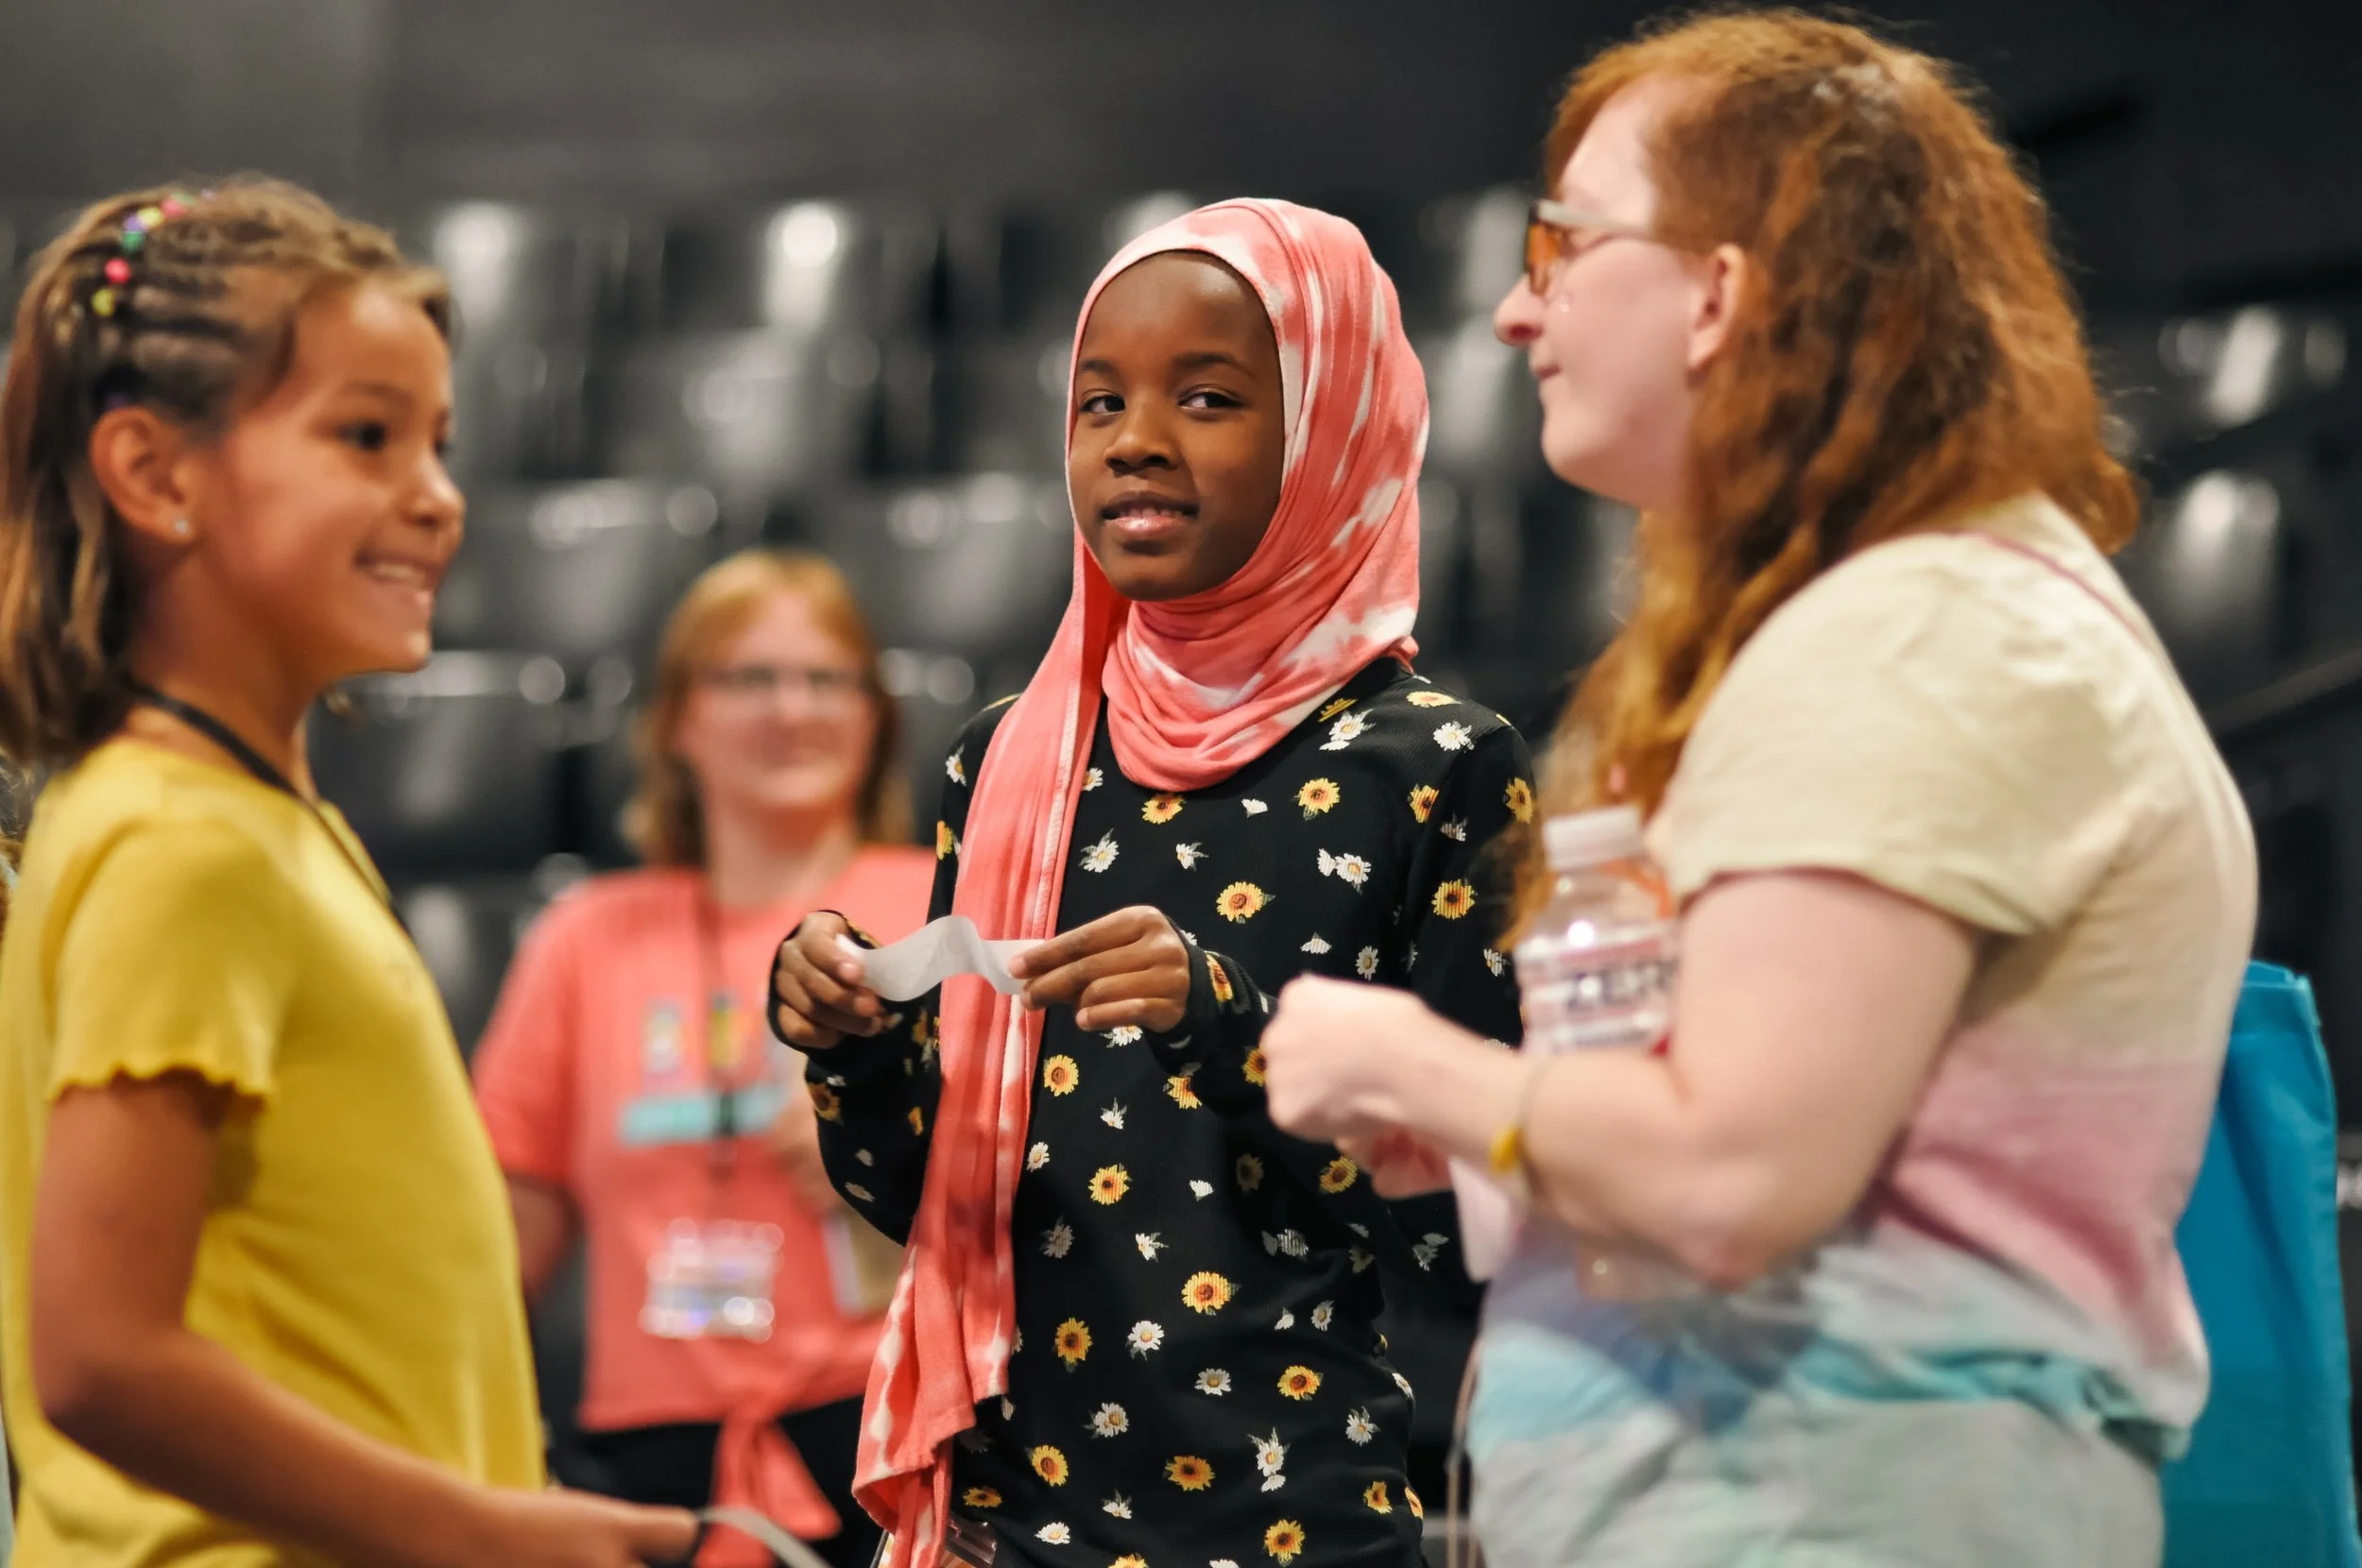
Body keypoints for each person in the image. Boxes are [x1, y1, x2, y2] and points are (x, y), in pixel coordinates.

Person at [1258, 13, 2258, 1568]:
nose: (1517, 310)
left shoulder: (1918, 633)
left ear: (1719, 293)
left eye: (1560, 242)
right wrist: (1488, 1137)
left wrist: (1414, 1061)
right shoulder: (1892, 619)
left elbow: (1735, 1176)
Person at [767, 200, 1534, 1567]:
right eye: (1100, 401)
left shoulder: (1437, 766)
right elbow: (933, 1197)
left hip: (1288, 1529)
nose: (1134, 440)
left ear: (1332, 427)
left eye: (1210, 397)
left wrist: (1225, 1026)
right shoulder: (1009, 757)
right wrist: (857, 1045)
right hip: (1005, 1529)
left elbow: (1471, 1229)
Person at [0, 180, 696, 1568]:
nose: (435, 497)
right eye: (365, 436)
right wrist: (486, 1533)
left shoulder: (250, 818)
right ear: (155, 475)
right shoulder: (181, 840)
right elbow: (97, 1357)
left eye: (439, 443)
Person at [472, 549, 932, 1568]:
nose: (790, 709)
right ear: (678, 720)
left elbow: (1052, 1187)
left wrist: (893, 1140)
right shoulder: (585, 937)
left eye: (827, 679)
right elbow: (496, 1250)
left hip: (896, 1438)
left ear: (875, 717)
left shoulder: (945, 903)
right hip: (648, 1465)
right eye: (749, 677)